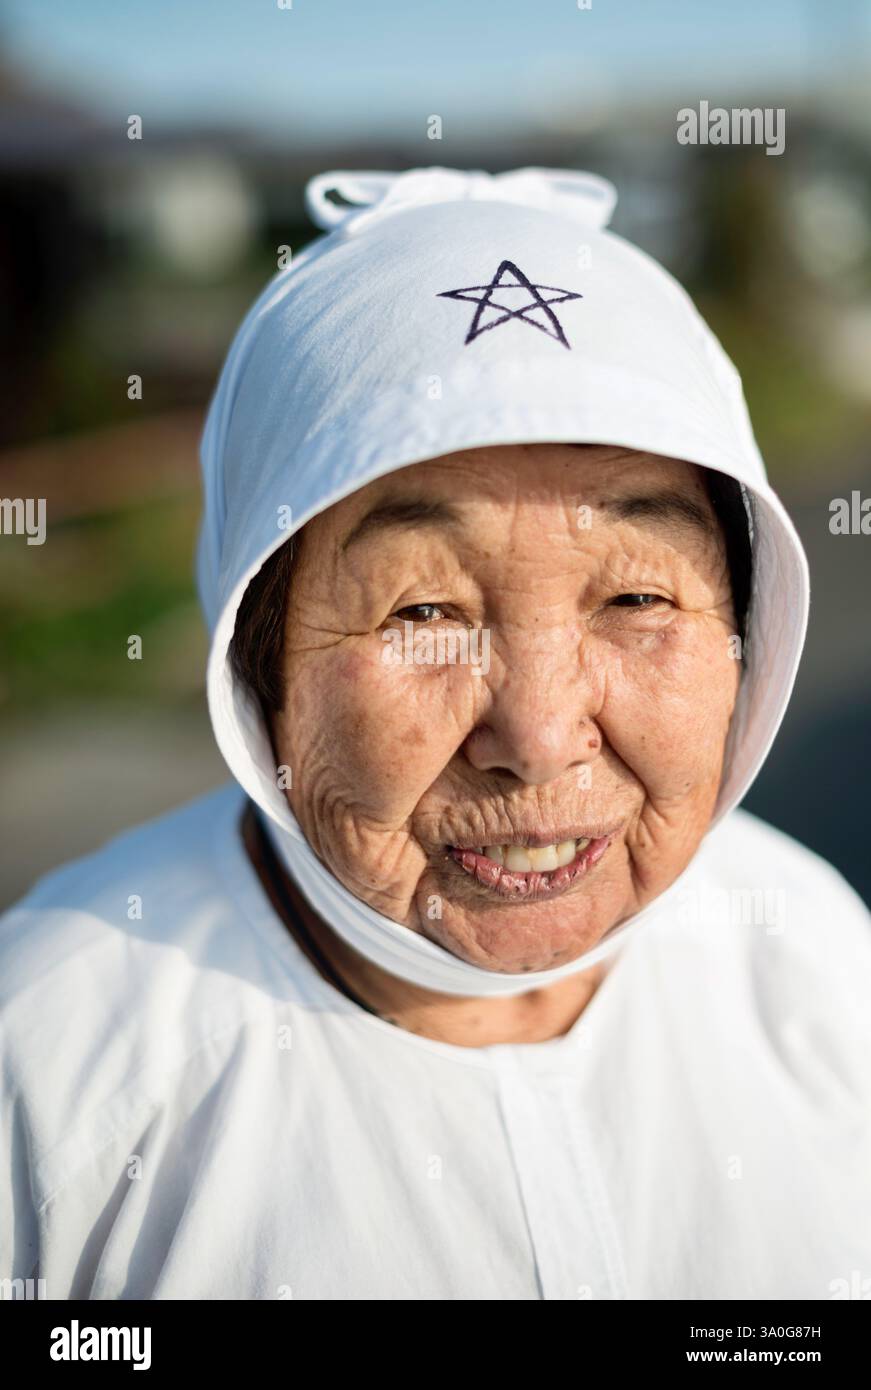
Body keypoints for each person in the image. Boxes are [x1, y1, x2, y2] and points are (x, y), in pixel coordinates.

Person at [2, 167, 869, 1301]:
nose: (542, 734)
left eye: (637, 599)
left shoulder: (813, 958)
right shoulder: (51, 1068)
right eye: (423, 612)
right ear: (256, 654)